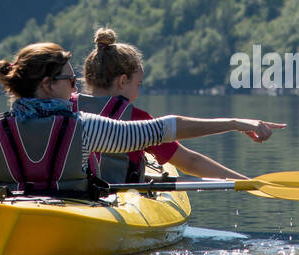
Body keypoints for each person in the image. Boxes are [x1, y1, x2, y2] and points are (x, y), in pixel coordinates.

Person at [0, 42, 284, 205]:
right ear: (48, 85)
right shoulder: (84, 127)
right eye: (70, 81)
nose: (74, 88)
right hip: (75, 219)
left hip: (12, 222)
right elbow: (162, 130)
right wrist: (237, 122)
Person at [79, 28, 255, 182]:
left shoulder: (69, 108)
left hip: (71, 195)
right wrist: (247, 182)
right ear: (123, 81)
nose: (138, 93)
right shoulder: (137, 119)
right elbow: (191, 162)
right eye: (138, 85)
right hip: (115, 200)